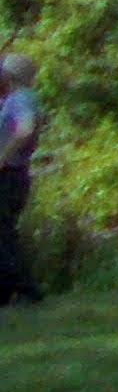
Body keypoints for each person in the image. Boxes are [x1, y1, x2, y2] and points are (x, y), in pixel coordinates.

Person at [0, 55, 40, 307]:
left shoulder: (21, 99)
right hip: (15, 174)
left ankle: (27, 289)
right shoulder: (16, 99)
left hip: (9, 175)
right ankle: (6, 292)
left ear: (10, 75)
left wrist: (2, 158)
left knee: (3, 233)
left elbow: (24, 129)